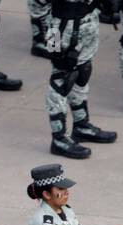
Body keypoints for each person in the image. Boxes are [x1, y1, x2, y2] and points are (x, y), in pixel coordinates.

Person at [45, 0, 117, 157]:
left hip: (87, 18)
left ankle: (81, 125)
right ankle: (59, 138)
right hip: (62, 24)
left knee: (82, 71)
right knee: (61, 78)